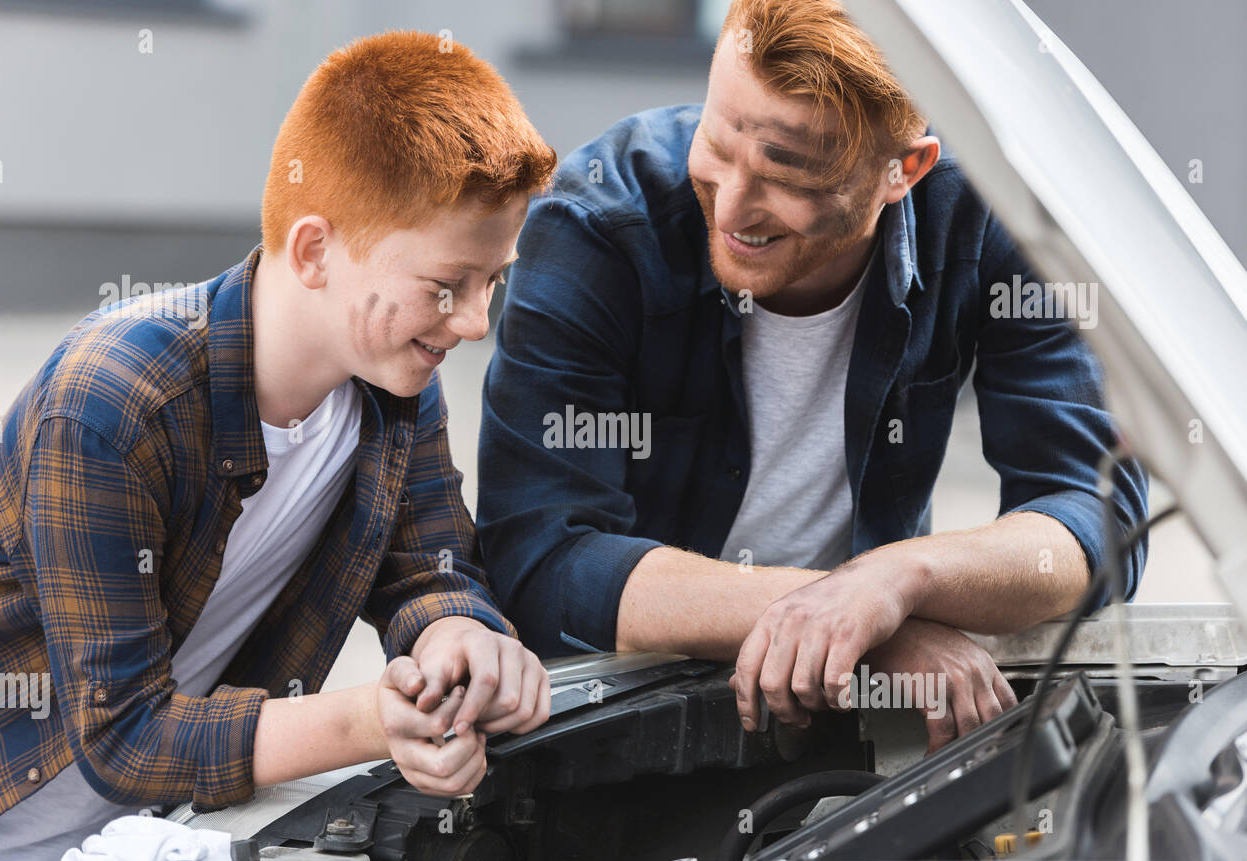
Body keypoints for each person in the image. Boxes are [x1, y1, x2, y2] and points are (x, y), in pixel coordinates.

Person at [0, 30, 556, 861]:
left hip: (147, 832)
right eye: (447, 285)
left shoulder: (395, 384)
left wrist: (465, 642)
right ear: (314, 250)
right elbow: (126, 734)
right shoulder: (114, 399)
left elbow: (428, 571)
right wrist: (376, 719)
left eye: (495, 280)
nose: (477, 321)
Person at [476, 0, 1148, 752]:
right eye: (718, 141)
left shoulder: (989, 220)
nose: (732, 206)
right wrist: (855, 618)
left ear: (906, 169)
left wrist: (896, 582)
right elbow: (543, 558)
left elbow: (1094, 517)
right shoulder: (597, 226)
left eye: (786, 173)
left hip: (849, 726)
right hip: (610, 734)